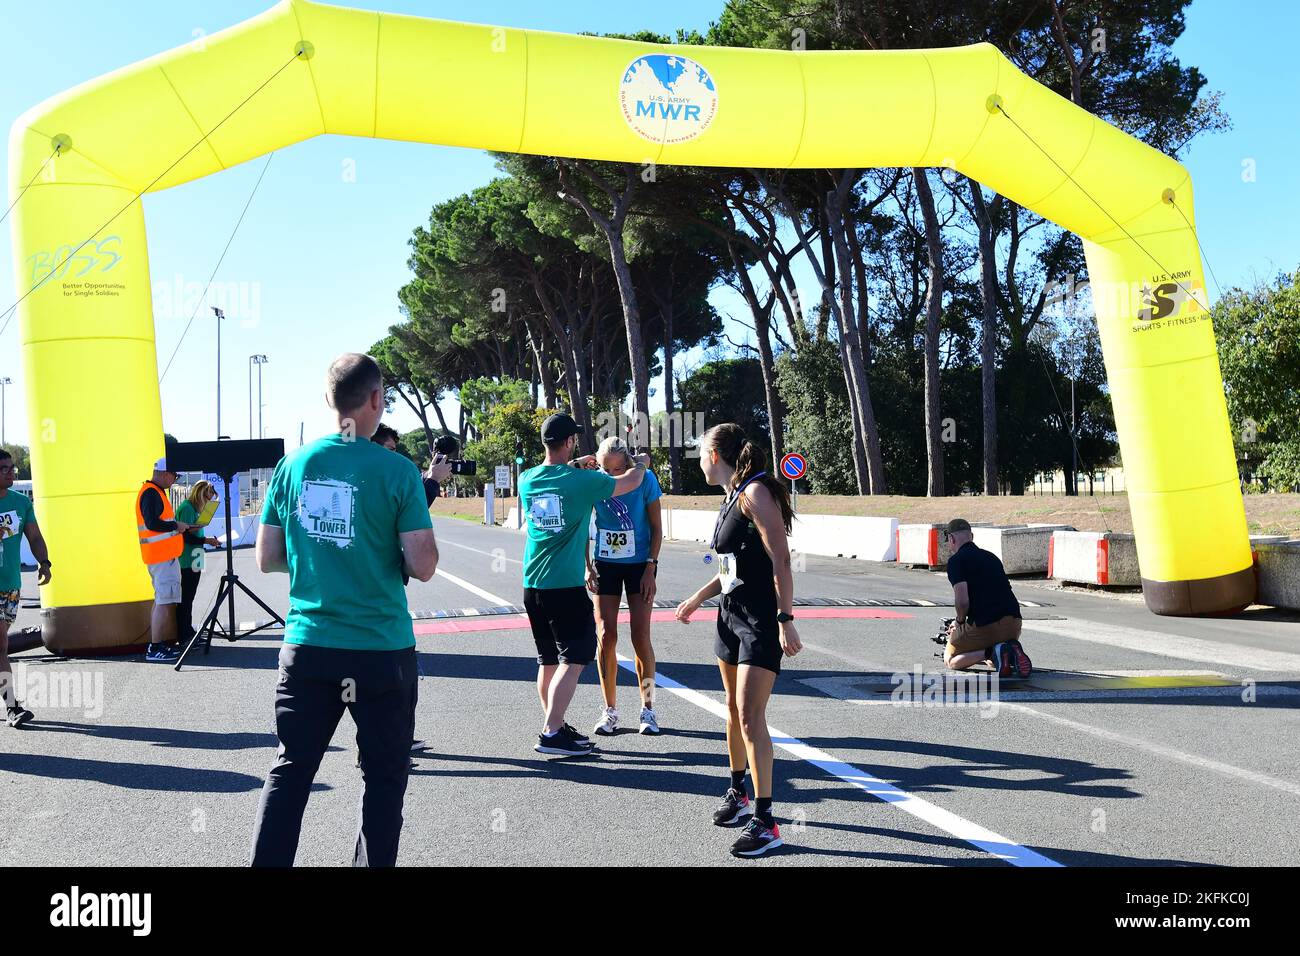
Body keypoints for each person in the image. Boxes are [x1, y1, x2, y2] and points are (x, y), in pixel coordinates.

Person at [249, 353, 438, 867]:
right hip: (381, 652)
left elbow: (266, 558)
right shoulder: (397, 471)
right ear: (376, 399)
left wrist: (321, 559)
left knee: (291, 772)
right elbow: (422, 565)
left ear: (329, 402)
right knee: (383, 780)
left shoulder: (293, 465)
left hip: (309, 646)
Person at [676, 423, 800, 859]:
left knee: (750, 716)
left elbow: (781, 559)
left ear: (717, 454)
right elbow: (733, 566)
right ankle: (738, 791)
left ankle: (766, 822)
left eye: (702, 449)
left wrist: (786, 618)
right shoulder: (732, 495)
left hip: (760, 621)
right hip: (729, 617)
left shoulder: (755, 494)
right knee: (731, 710)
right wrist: (696, 598)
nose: (699, 457)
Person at [519, 413, 649, 757]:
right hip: (563, 585)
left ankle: (555, 724)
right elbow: (631, 482)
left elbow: (555, 473)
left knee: (548, 661)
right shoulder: (581, 483)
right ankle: (551, 733)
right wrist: (641, 463)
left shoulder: (527, 479)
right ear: (569, 442)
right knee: (575, 657)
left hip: (533, 584)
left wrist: (575, 462)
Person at [584, 436, 663, 736]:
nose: (611, 478)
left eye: (616, 470)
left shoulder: (645, 479)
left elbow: (657, 528)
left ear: (628, 464)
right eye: (605, 470)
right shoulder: (595, 480)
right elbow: (582, 527)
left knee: (641, 635)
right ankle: (610, 710)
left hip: (640, 564)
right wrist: (586, 566)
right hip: (605, 564)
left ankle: (648, 708)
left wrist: (650, 567)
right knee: (606, 634)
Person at [942, 518, 1031, 678]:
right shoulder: (992, 557)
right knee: (993, 660)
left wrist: (959, 622)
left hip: (986, 627)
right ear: (972, 536)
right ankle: (1007, 651)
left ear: (951, 539)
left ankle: (991, 652)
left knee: (951, 659)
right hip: (1014, 624)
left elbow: (962, 602)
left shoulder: (956, 561)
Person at [0, 449, 51, 728]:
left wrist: (44, 561)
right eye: (4, 468)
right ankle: (12, 707)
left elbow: (34, 535)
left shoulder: (20, 503)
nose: (11, 472)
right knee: (1, 645)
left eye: (11, 468)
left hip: (9, 587)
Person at [136, 457, 192, 663]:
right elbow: (152, 523)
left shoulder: (154, 491)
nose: (174, 480)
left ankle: (158, 645)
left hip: (162, 556)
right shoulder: (151, 493)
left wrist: (175, 526)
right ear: (165, 473)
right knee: (163, 601)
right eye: (174, 476)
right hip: (161, 557)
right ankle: (156, 646)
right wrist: (175, 526)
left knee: (163, 600)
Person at [174, 480, 221, 644]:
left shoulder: (195, 508)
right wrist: (207, 541)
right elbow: (186, 537)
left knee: (190, 596)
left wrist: (206, 541)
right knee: (186, 598)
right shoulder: (187, 508)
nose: (208, 502)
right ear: (200, 495)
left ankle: (187, 630)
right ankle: (184, 634)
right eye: (207, 498)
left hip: (196, 557)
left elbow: (196, 534)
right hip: (187, 558)